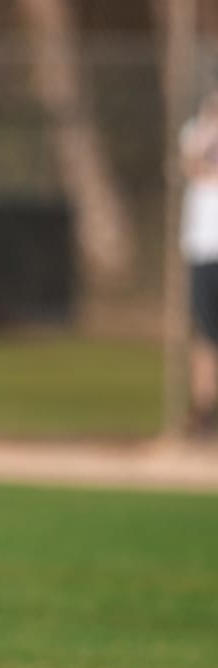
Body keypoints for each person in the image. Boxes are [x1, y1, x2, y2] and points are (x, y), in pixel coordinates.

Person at [180, 88, 218, 439]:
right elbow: (191, 164)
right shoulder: (196, 131)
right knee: (206, 334)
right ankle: (204, 412)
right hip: (203, 250)